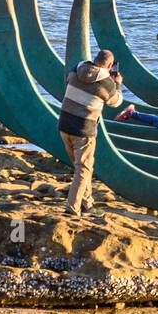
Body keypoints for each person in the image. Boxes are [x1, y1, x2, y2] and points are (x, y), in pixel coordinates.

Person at [57, 49, 124, 215]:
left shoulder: (76, 69)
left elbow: (69, 81)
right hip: (83, 129)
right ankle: (72, 208)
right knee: (83, 169)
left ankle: (87, 203)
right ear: (109, 65)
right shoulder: (106, 82)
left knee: (82, 167)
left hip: (64, 124)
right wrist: (117, 84)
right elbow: (116, 102)